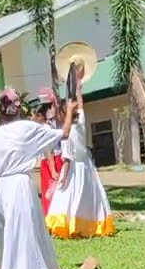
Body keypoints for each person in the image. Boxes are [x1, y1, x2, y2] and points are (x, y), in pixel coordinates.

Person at [0, 88, 78, 269]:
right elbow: (64, 134)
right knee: (25, 241)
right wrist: (71, 111)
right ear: (18, 107)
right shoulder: (26, 128)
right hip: (18, 187)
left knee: (8, 243)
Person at [46, 89, 114, 239]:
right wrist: (79, 90)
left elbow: (68, 157)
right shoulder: (81, 123)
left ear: (63, 115)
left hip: (72, 167)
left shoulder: (67, 132)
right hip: (86, 166)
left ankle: (70, 225)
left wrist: (63, 176)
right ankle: (90, 224)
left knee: (68, 196)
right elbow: (81, 107)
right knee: (87, 197)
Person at [32, 101, 62, 214]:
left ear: (39, 116)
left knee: (51, 190)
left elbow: (48, 150)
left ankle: (52, 216)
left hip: (51, 162)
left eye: (33, 115)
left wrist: (53, 170)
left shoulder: (45, 129)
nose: (31, 118)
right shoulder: (49, 126)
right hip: (51, 161)